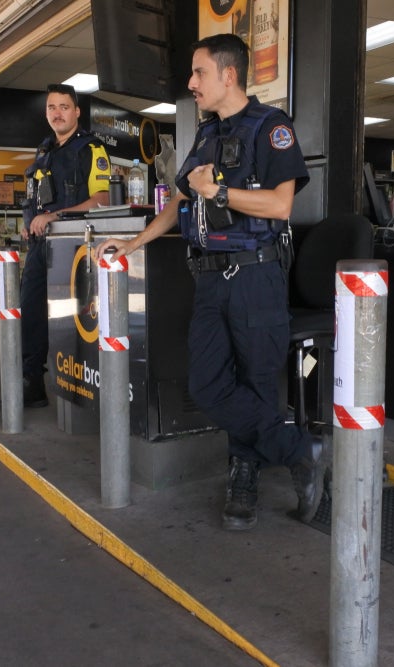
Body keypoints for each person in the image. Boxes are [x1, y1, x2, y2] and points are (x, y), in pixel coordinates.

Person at [93, 33, 323, 531]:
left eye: (198, 73)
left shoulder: (272, 127)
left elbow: (281, 206)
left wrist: (219, 189)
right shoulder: (205, 135)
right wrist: (134, 244)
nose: (190, 83)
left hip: (256, 275)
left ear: (229, 75)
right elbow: (178, 202)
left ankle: (243, 476)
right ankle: (300, 451)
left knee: (257, 384)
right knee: (208, 384)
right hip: (210, 281)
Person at [19, 83, 111, 407]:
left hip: (72, 248)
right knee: (31, 314)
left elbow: (102, 199)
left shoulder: (91, 149)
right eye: (51, 108)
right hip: (40, 246)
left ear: (76, 112)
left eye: (63, 107)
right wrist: (29, 220)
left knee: (71, 320)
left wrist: (54, 216)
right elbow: (35, 197)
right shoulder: (43, 151)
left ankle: (76, 390)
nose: (57, 113)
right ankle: (32, 385)